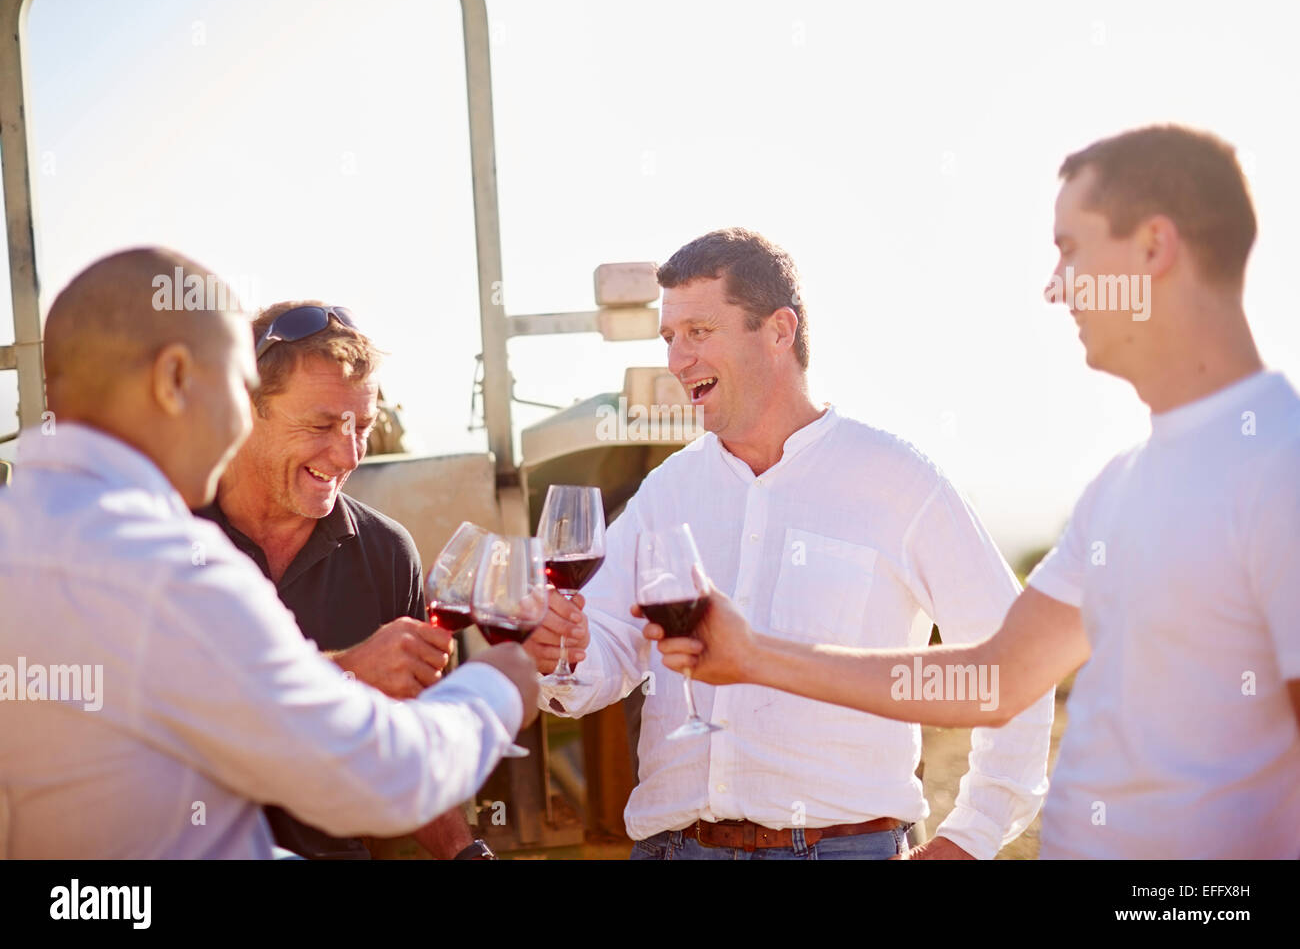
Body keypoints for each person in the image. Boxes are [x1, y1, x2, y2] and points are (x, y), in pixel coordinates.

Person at [647, 126, 1300, 859]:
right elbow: (997, 679)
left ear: (1153, 247)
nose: (1055, 286)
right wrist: (754, 655)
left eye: (1071, 250)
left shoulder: (1279, 469)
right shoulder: (1123, 488)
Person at [526, 228, 1055, 860]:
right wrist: (567, 649)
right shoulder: (666, 491)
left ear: (779, 330)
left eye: (700, 331)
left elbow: (1020, 663)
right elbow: (603, 654)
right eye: (670, 338)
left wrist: (968, 840)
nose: (677, 360)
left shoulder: (898, 481)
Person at [0, 248, 539, 858]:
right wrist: (495, 691)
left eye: (361, 427)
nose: (347, 455)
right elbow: (384, 774)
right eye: (236, 386)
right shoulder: (172, 570)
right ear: (174, 381)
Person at [196, 300, 490, 859]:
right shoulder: (161, 535)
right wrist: (349, 672)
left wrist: (465, 854)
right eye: (322, 424)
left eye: (363, 426)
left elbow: (400, 756)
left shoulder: (385, 552)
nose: (348, 453)